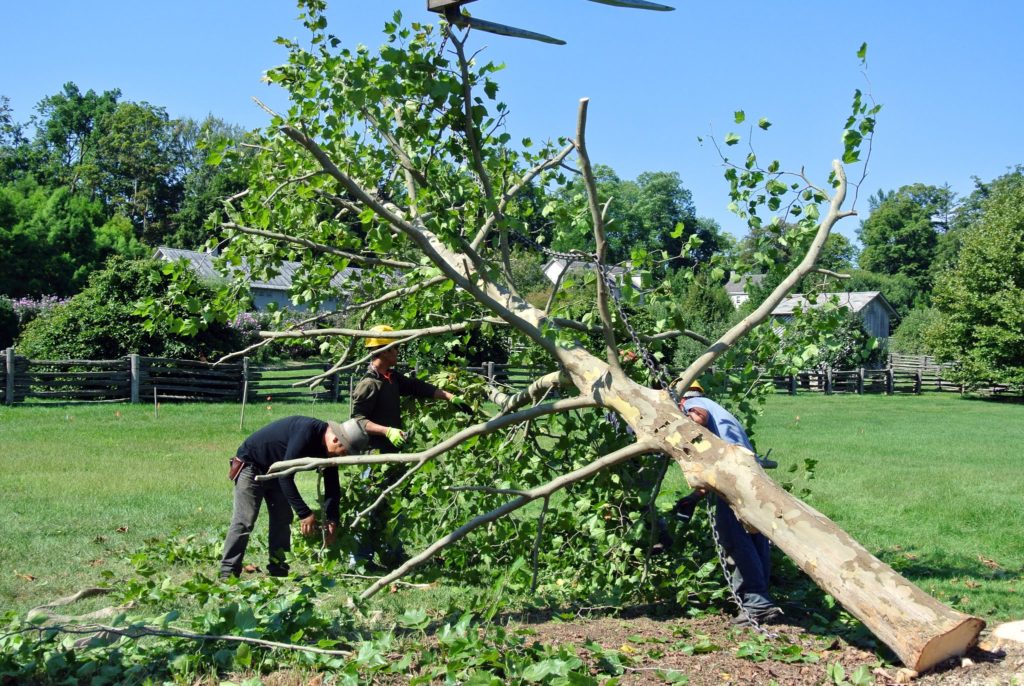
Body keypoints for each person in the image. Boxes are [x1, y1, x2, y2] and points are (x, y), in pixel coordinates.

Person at [350, 324, 466, 567]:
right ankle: (360, 559)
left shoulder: (391, 379)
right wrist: (387, 430)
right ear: (382, 351)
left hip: (393, 453)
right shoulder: (369, 384)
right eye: (395, 348)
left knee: (393, 506)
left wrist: (449, 397)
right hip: (374, 454)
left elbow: (417, 387)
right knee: (370, 505)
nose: (398, 352)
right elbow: (357, 421)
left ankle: (392, 554)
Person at [219, 416, 368, 579]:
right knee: (244, 520)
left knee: (282, 518)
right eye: (345, 452)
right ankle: (228, 571)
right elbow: (286, 477)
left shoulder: (328, 450)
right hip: (252, 465)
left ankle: (278, 568)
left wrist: (332, 519)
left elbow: (332, 485)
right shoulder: (306, 432)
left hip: (277, 471)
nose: (342, 457)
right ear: (335, 440)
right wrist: (304, 513)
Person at [679, 395, 784, 626]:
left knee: (733, 536)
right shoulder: (720, 413)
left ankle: (756, 603)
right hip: (747, 473)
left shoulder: (692, 404)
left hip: (734, 475)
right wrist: (695, 496)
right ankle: (761, 599)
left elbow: (698, 417)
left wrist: (682, 431)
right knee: (755, 536)